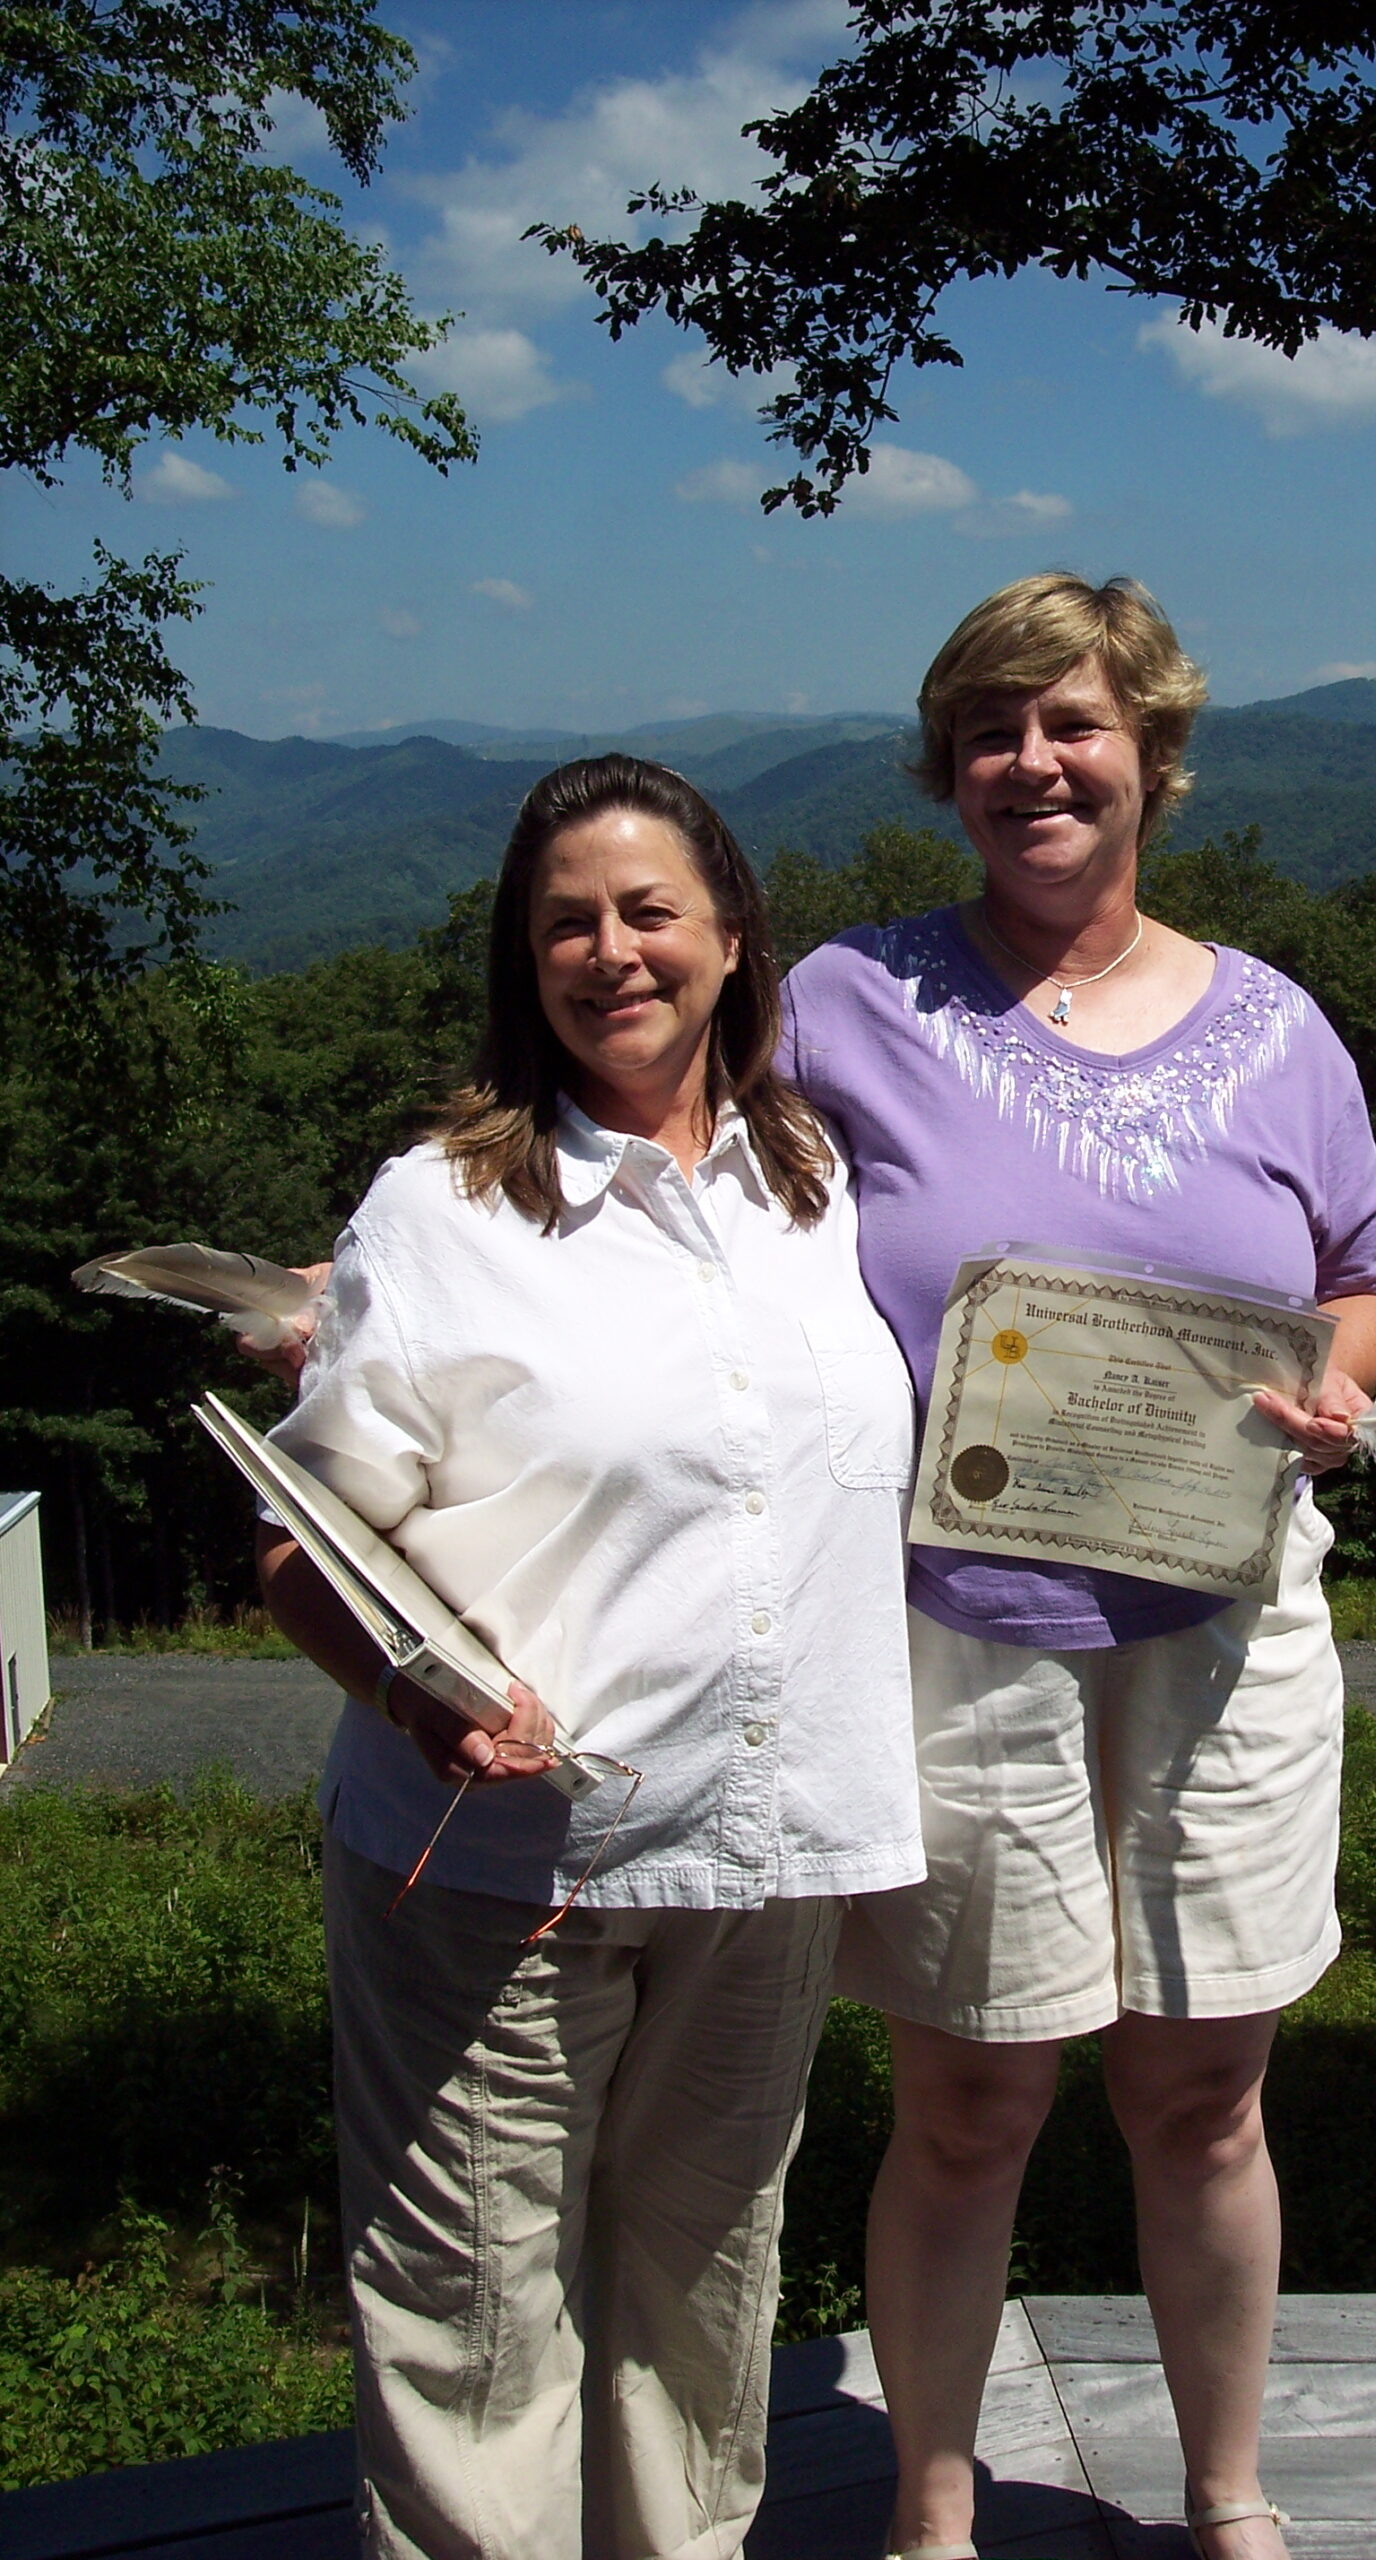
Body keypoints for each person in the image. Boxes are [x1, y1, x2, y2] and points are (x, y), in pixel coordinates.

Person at [778, 574, 1376, 2560]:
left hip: (1225, 1625)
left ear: (1153, 754)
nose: (1031, 764)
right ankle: (937, 2503)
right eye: (991, 732)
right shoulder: (839, 1001)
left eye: (1071, 726)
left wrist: (1340, 1387)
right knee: (970, 2097)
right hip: (961, 1629)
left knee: (1206, 2085)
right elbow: (678, 1210)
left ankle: (1227, 2491)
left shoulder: (1280, 1027)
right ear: (944, 769)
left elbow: (1372, 1289)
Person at [256, 756, 922, 2560]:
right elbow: (294, 1543)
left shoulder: (816, 1178)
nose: (610, 952)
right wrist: (418, 1693)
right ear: (520, 956)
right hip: (499, 1871)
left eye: (648, 913)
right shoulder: (442, 1210)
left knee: (703, 2306)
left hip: (764, 1857)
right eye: (568, 920)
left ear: (729, 938)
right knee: (477, 2328)